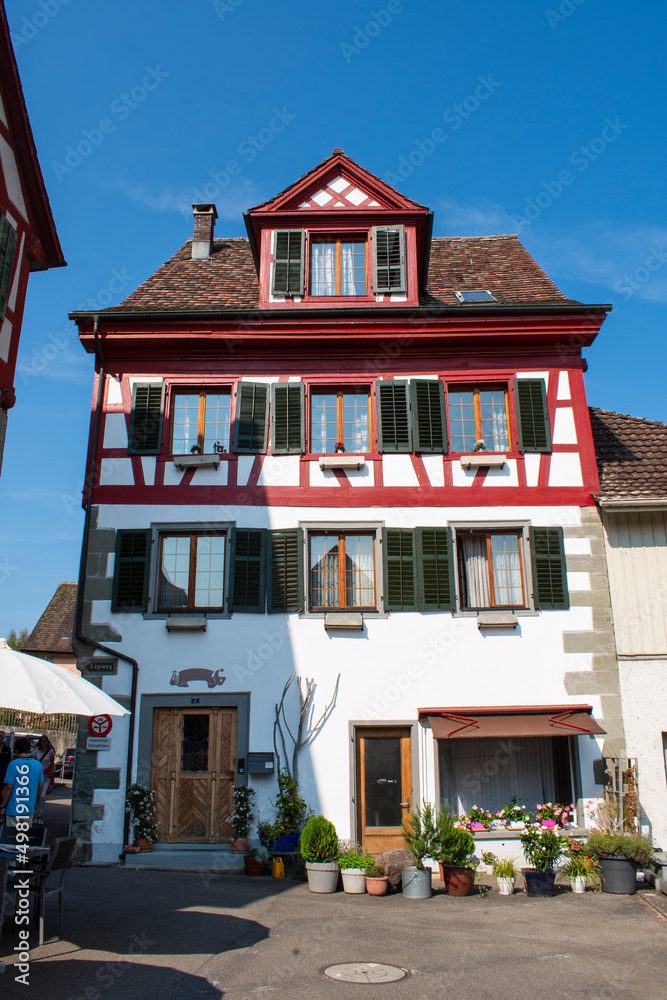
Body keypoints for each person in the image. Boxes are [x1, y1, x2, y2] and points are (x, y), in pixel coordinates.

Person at [0, 738, 44, 827]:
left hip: (13, 807)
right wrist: (36, 802)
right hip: (29, 806)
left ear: (16, 750)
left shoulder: (13, 764)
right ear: (29, 749)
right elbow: (41, 786)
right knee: (24, 836)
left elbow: (8, 786)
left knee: (11, 837)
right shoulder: (37, 764)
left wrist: (3, 805)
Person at [32, 734, 56, 823]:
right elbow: (33, 762)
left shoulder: (50, 752)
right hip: (37, 775)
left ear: (47, 742)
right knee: (35, 796)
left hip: (45, 775)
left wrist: (50, 773)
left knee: (42, 796)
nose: (43, 743)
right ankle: (34, 815)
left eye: (45, 741)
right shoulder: (36, 751)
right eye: (41, 741)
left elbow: (52, 763)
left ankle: (40, 816)